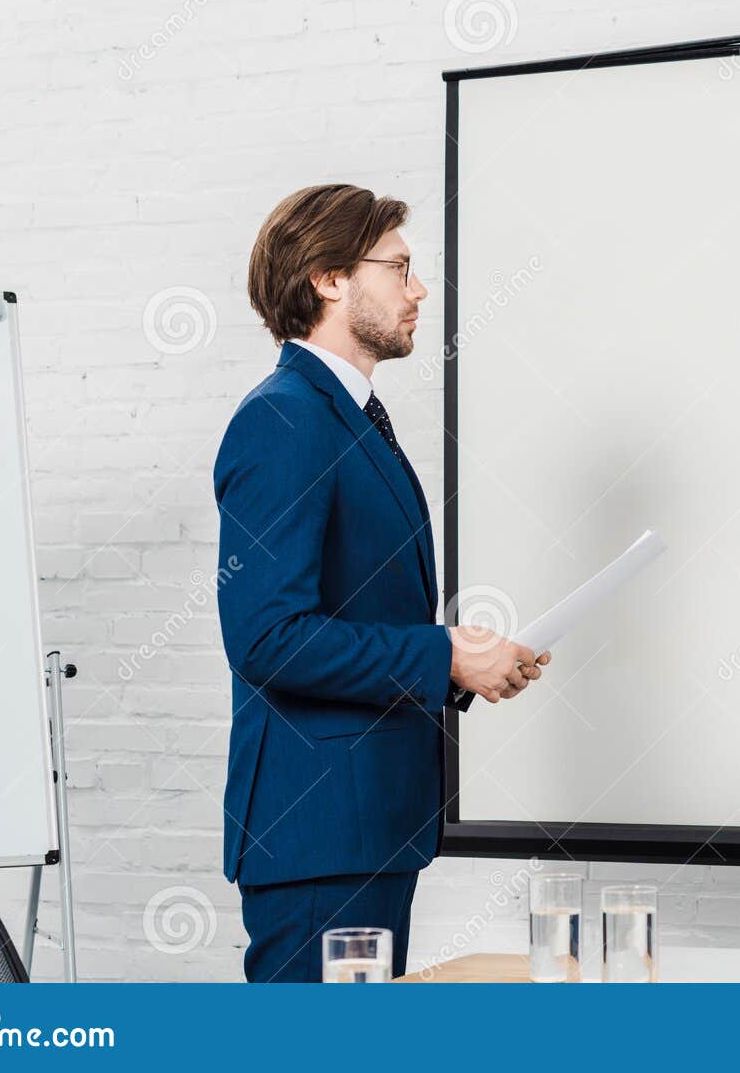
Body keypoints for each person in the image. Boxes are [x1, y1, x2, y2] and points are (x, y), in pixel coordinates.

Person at [214, 184, 549, 981]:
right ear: (329, 278)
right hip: (316, 835)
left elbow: (356, 610)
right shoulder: (284, 419)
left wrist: (460, 656)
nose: (419, 289)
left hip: (363, 829)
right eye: (400, 268)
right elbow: (267, 637)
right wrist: (443, 659)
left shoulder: (345, 414)